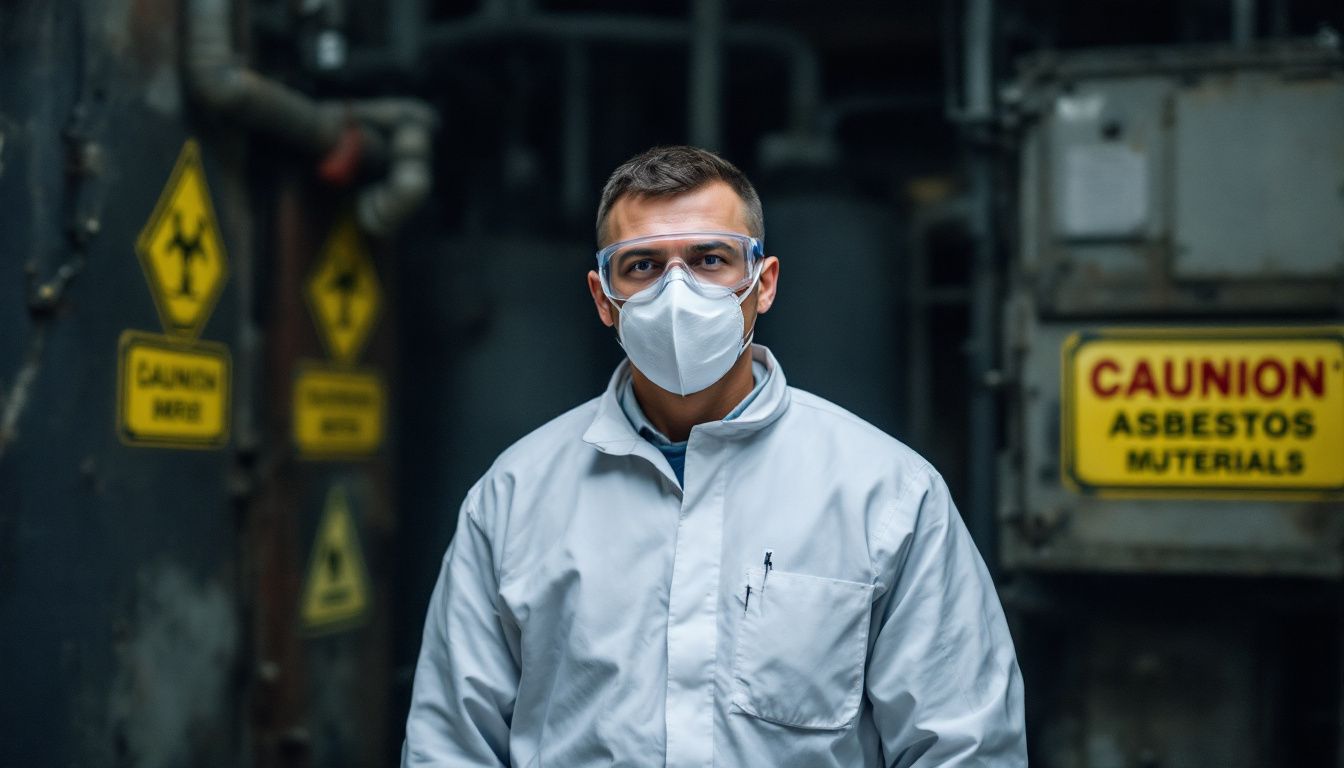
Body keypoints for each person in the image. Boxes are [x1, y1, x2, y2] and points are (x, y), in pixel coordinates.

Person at [402, 146, 1026, 766]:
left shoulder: (886, 495)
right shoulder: (514, 497)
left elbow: (965, 747)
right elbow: (449, 747)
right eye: (642, 265)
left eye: (710, 260)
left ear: (763, 283)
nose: (677, 292)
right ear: (602, 298)